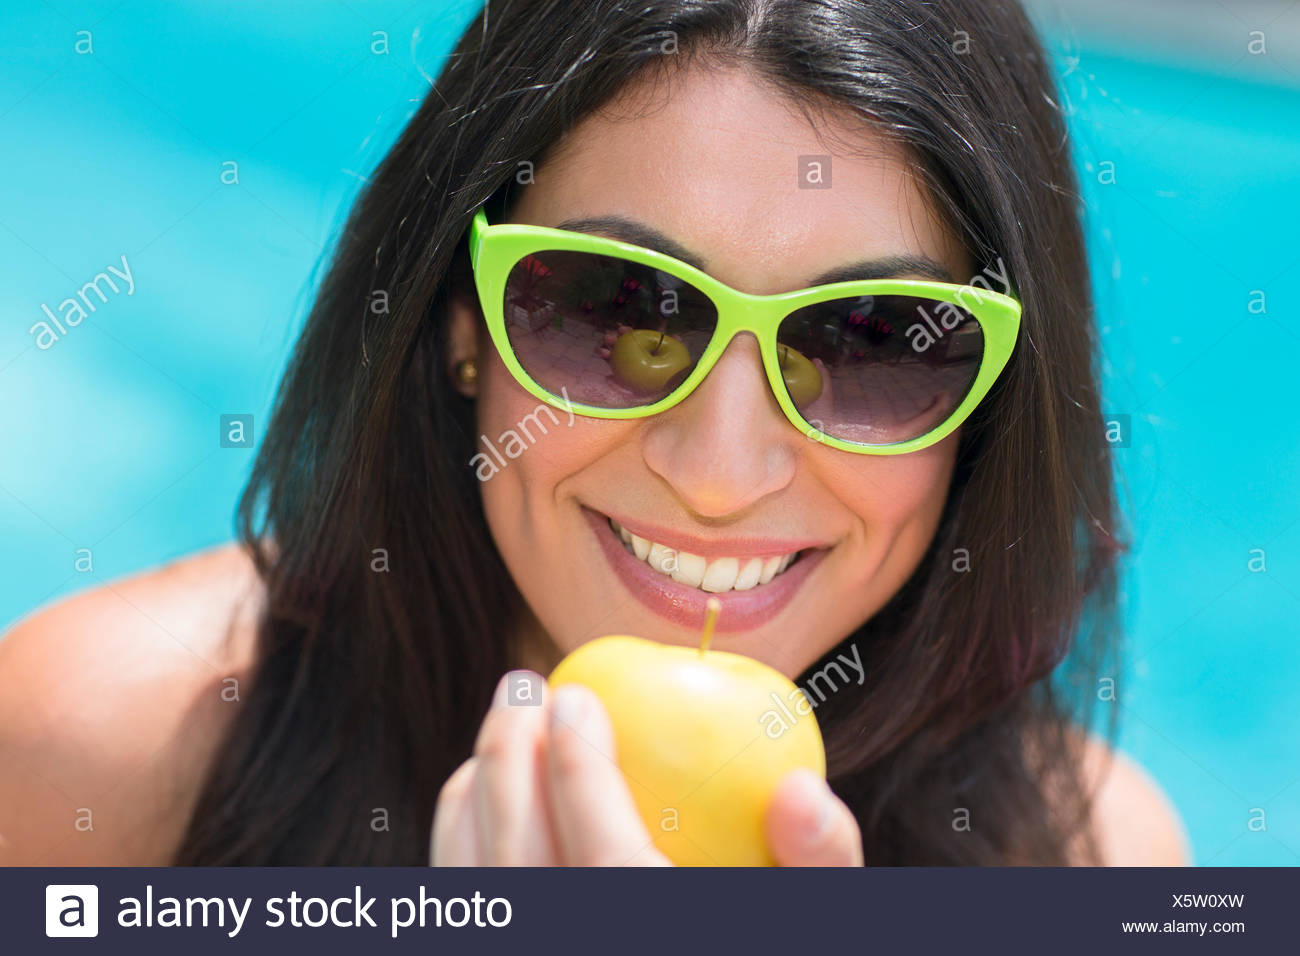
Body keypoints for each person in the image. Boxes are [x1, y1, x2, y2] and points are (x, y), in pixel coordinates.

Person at [0, 0, 1188, 866]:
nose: (719, 473)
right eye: (620, 314)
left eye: (869, 342)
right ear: (461, 323)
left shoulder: (1086, 857)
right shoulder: (99, 748)